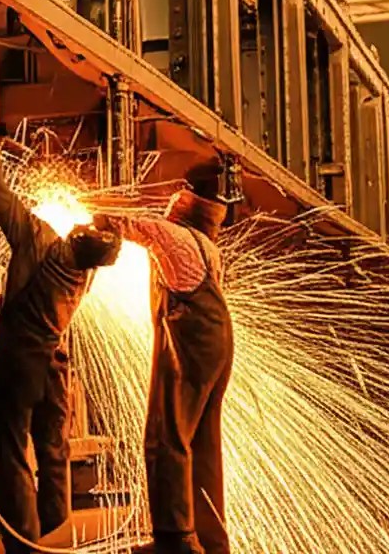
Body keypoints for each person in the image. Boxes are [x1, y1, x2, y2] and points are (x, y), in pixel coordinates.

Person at [0, 135, 122, 554]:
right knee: (52, 446)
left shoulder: (38, 238)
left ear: (77, 238)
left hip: (20, 360)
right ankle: (56, 527)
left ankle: (24, 540)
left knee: (10, 448)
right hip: (55, 364)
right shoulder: (87, 273)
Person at [103, 161, 233, 554]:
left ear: (185, 197)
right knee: (203, 443)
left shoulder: (172, 234)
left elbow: (125, 225)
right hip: (219, 344)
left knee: (166, 436)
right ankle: (210, 541)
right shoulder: (209, 247)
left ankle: (175, 541)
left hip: (189, 343)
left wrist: (83, 210)